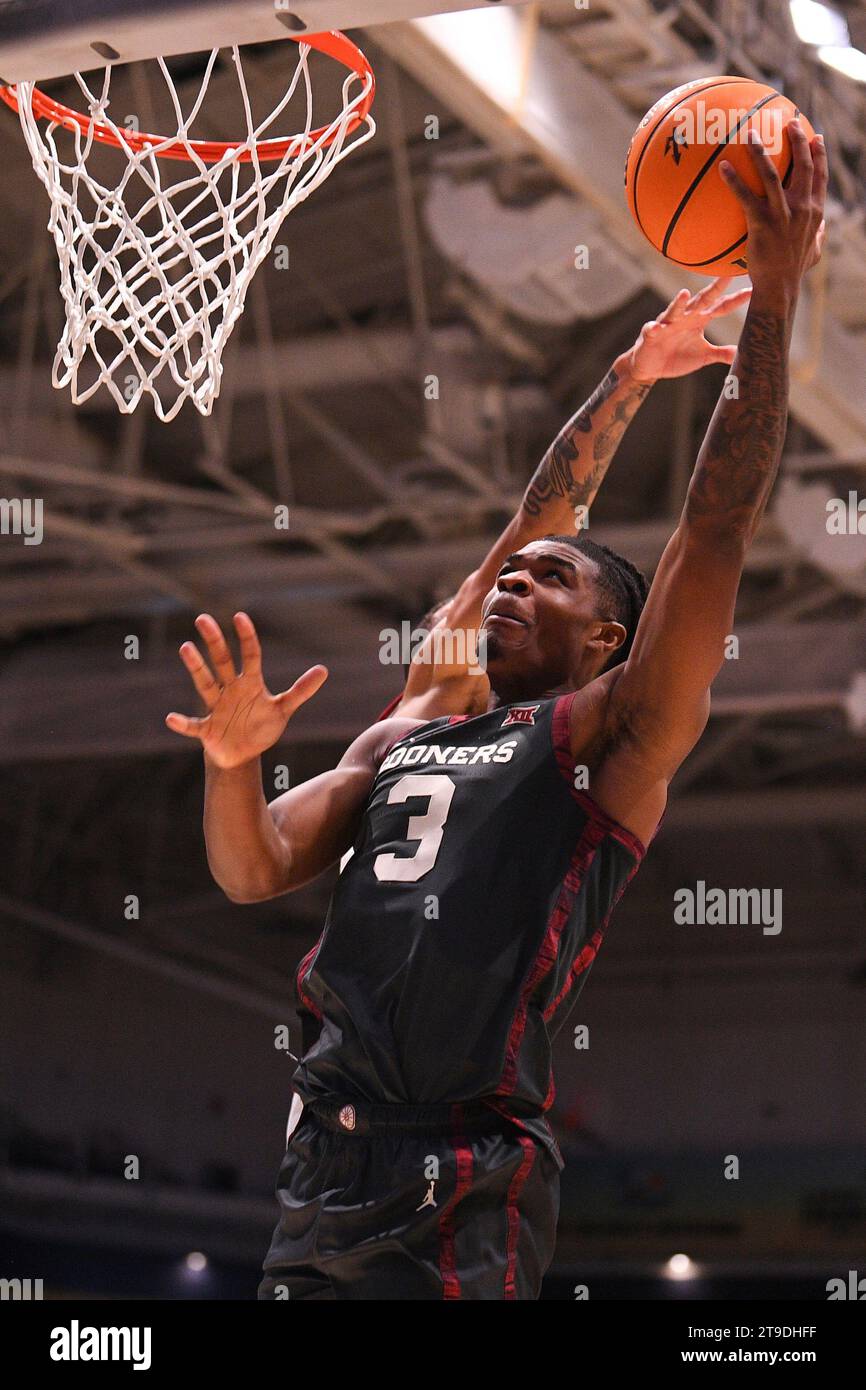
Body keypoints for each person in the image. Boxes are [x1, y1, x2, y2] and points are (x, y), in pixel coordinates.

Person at [166, 122, 826, 1299]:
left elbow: (713, 525)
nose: (516, 581)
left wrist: (771, 301)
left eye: (552, 581)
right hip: (319, 1160)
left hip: (459, 1168)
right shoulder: (412, 722)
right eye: (510, 578)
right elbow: (252, 865)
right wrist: (231, 762)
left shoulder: (609, 742)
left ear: (607, 639)